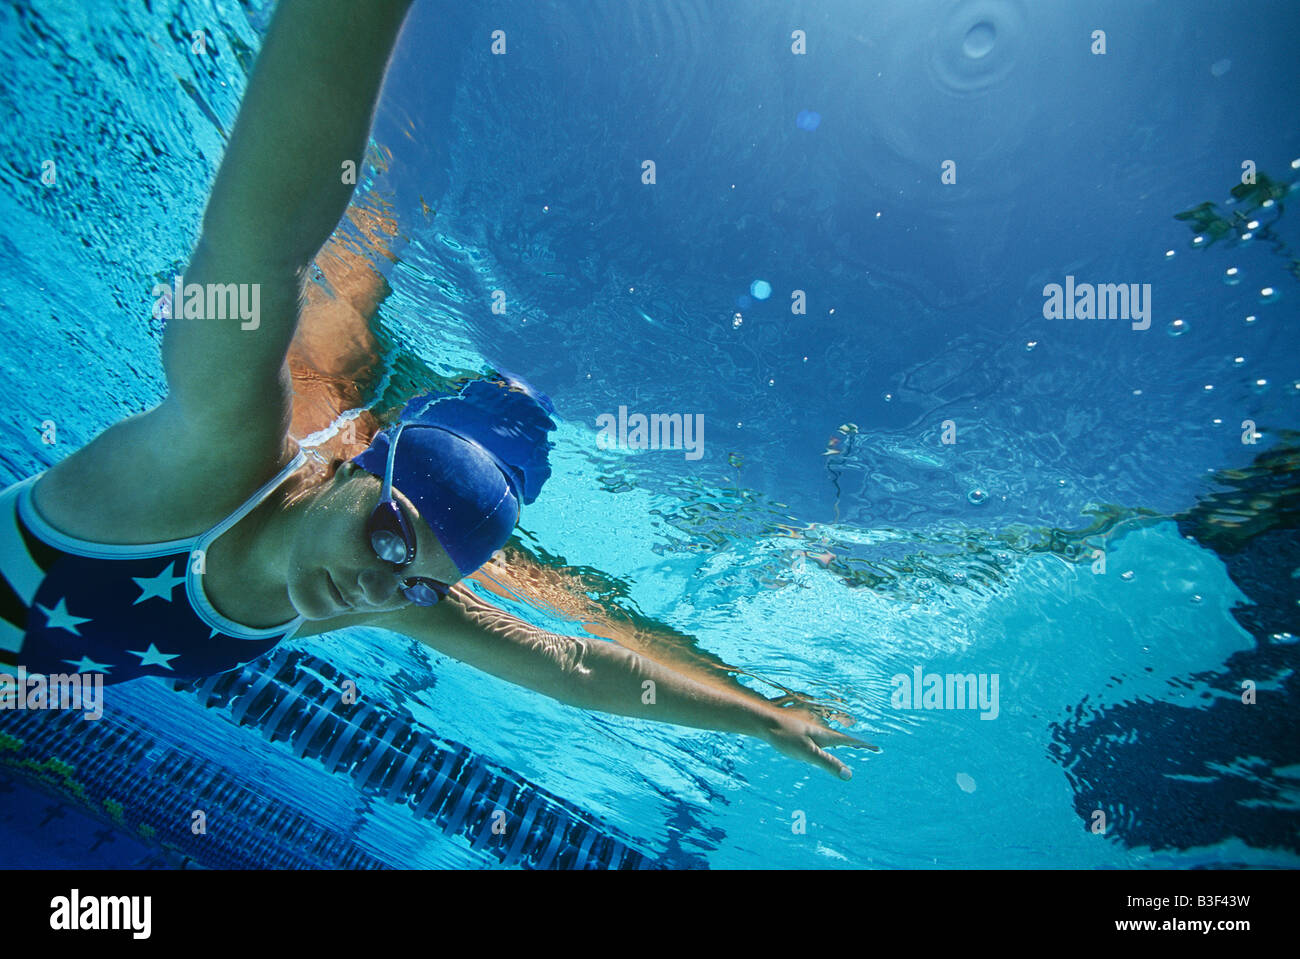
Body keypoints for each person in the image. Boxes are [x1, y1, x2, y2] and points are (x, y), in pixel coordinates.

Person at [0, 0, 871, 780]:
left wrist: (765, 719)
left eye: (421, 585)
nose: (386, 593)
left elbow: (568, 666)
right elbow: (253, 252)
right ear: (354, 466)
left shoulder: (358, 587)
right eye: (391, 543)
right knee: (360, 262)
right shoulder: (217, 456)